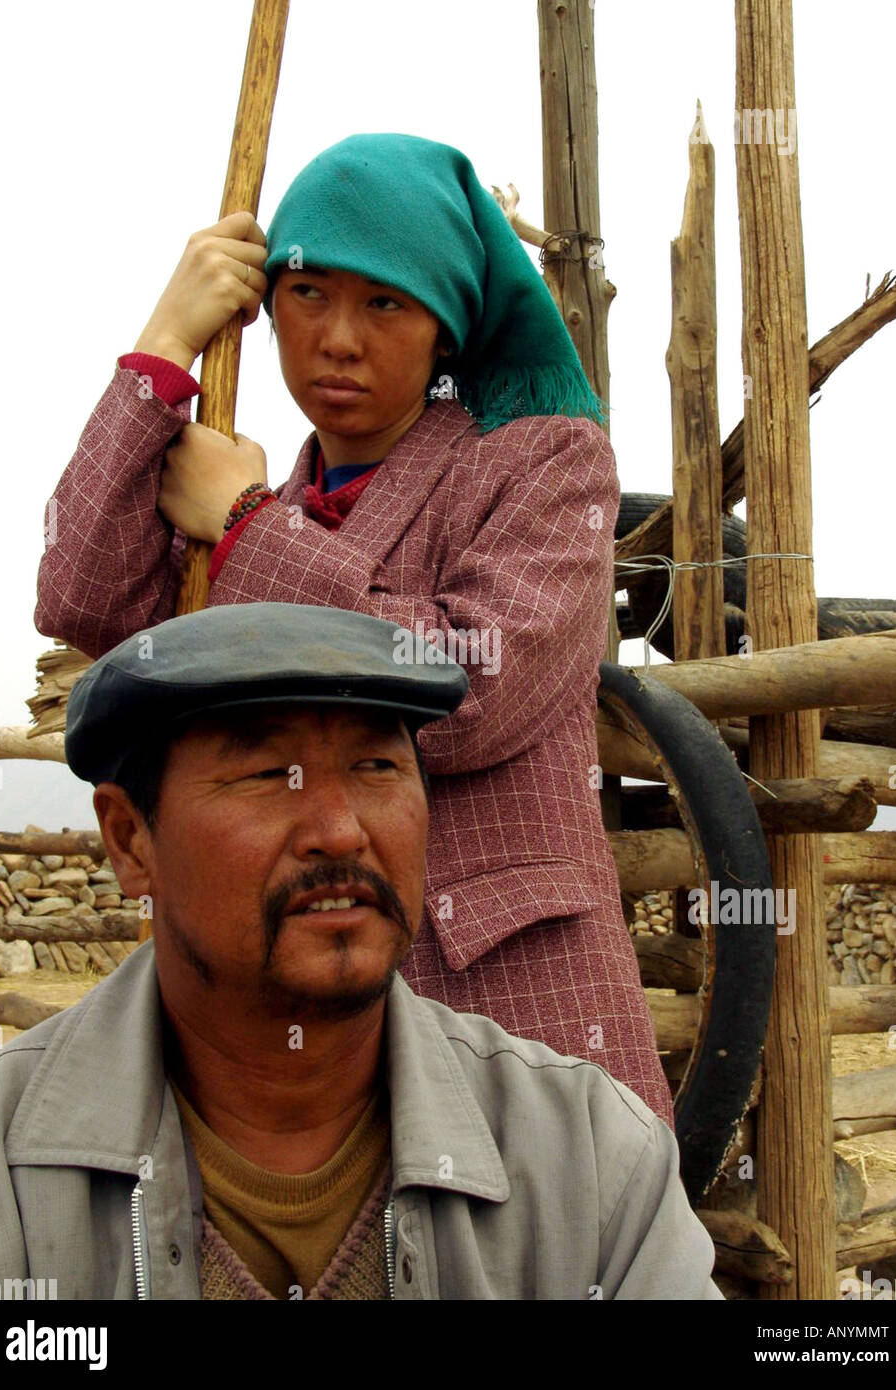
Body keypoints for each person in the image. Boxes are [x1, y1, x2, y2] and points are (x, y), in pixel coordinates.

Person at [34, 133, 672, 1123]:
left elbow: (469, 689)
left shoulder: (543, 463)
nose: (337, 337)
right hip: (296, 1005)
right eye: (305, 292)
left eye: (385, 302)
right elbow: (82, 595)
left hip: (506, 1006)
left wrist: (245, 526)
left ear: (444, 328)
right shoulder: (255, 488)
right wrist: (163, 347)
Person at [0, 604, 720, 1300]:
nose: (341, 830)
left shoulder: (587, 1159)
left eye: (376, 767)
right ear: (129, 840)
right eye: (265, 774)